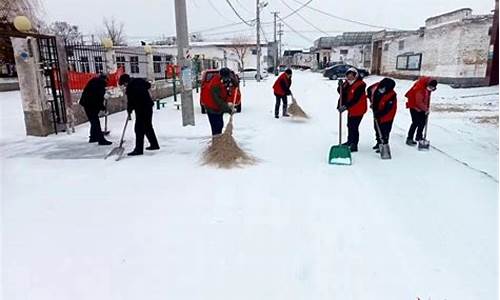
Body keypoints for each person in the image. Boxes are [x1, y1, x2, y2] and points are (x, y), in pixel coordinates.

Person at [118, 74, 160, 156]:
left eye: (124, 84)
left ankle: (138, 149)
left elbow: (131, 101)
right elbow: (148, 85)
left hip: (141, 109)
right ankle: (154, 144)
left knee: (139, 129)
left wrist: (129, 110)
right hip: (148, 107)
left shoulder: (130, 87)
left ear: (126, 82)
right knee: (148, 126)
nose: (124, 86)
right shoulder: (139, 81)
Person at [337, 67, 367, 152]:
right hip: (351, 109)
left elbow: (356, 99)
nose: (350, 77)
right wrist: (340, 86)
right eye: (348, 75)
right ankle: (349, 141)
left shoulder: (361, 85)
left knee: (354, 126)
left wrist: (345, 106)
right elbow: (342, 93)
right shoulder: (347, 83)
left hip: (359, 108)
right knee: (349, 125)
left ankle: (354, 145)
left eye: (351, 76)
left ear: (355, 76)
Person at [201, 67, 237, 135]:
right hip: (212, 108)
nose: (227, 79)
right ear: (221, 76)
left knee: (220, 124)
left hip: (218, 108)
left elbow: (229, 91)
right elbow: (218, 100)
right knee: (216, 127)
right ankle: (216, 142)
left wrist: (234, 82)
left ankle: (218, 140)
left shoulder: (223, 80)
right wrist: (229, 110)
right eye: (226, 77)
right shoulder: (215, 84)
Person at [79, 74, 112, 145]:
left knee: (93, 121)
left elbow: (96, 96)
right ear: (105, 79)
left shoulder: (94, 81)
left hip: (87, 103)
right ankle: (101, 140)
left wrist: (103, 107)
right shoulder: (100, 83)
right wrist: (103, 108)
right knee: (95, 121)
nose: (106, 84)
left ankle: (93, 137)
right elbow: (99, 97)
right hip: (90, 104)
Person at [405, 77, 437, 145]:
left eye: (432, 88)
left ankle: (419, 136)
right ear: (428, 84)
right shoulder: (419, 88)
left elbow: (426, 99)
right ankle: (409, 138)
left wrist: (426, 108)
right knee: (415, 122)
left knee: (422, 122)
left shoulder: (427, 88)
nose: (431, 89)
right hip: (414, 106)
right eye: (430, 87)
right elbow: (418, 102)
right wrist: (426, 109)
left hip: (422, 107)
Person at [367, 78, 397, 152]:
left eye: (385, 88)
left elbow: (388, 108)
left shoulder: (392, 95)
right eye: (382, 87)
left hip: (388, 115)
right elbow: (369, 90)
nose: (382, 89)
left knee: (385, 130)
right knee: (377, 128)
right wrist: (372, 102)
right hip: (377, 111)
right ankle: (379, 143)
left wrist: (379, 114)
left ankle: (384, 144)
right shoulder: (376, 87)